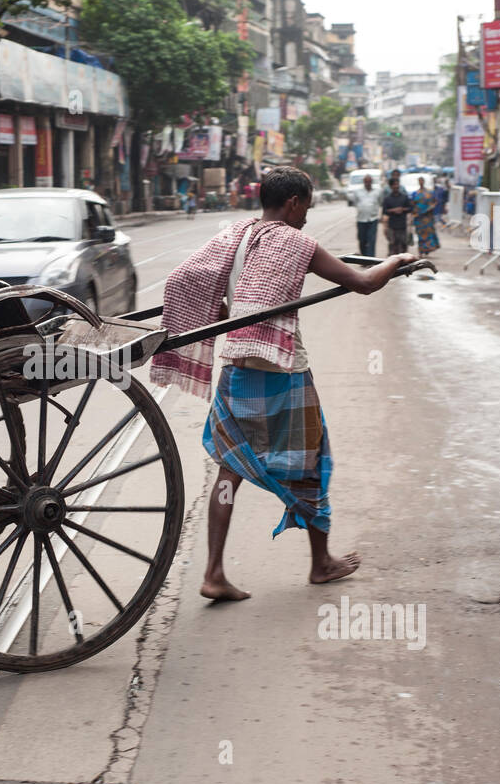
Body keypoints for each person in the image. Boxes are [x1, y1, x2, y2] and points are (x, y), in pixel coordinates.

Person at [150, 166, 418, 601]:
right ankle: (321, 563)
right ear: (293, 203)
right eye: (306, 208)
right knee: (310, 464)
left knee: (230, 467)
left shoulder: (237, 238)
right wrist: (399, 260)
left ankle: (214, 573)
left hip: (238, 368)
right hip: (284, 373)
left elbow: (201, 291)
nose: (307, 218)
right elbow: (365, 282)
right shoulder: (298, 244)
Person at [381, 174, 413, 256]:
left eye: (397, 184)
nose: (396, 186)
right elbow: (384, 211)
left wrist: (402, 209)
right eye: (394, 184)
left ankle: (404, 264)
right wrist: (393, 210)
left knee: (403, 244)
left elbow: (410, 208)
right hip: (392, 225)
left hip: (402, 224)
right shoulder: (387, 199)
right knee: (393, 245)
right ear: (391, 186)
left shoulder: (404, 197)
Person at [353, 173, 382, 257]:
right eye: (366, 182)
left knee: (372, 239)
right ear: (364, 182)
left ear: (372, 182)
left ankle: (370, 259)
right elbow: (356, 203)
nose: (368, 183)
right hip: (361, 219)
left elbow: (380, 202)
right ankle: (364, 257)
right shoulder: (358, 192)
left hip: (373, 219)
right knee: (362, 240)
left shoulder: (377, 191)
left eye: (369, 182)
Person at [410, 176, 440, 256]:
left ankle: (427, 249)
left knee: (428, 233)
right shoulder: (415, 193)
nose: (421, 182)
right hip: (418, 217)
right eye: (419, 181)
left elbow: (435, 202)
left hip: (427, 217)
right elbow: (412, 204)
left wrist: (430, 208)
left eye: (422, 181)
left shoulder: (430, 193)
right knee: (420, 234)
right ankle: (421, 250)